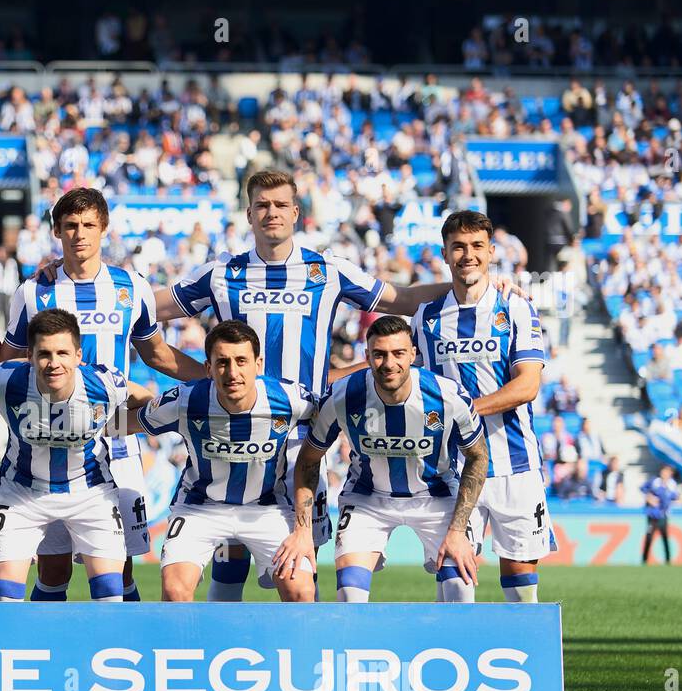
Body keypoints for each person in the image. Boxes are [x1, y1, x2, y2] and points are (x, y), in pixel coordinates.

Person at [154, 170, 520, 601]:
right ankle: (221, 656)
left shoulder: (327, 270)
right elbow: (146, 311)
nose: (271, 213)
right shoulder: (222, 274)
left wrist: (477, 287)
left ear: (296, 212)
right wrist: (210, 381)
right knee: (228, 560)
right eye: (262, 206)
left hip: (299, 441)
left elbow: (400, 299)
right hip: (234, 432)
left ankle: (297, 659)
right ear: (249, 214)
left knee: (298, 571)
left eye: (280, 205)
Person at [0, 187, 206, 602]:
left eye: (89, 225)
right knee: (52, 567)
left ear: (104, 229)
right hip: (49, 443)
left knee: (119, 566)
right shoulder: (34, 291)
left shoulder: (131, 288)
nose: (79, 234)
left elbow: (158, 354)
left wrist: (211, 378)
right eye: (70, 225)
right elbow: (11, 364)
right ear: (56, 231)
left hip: (116, 443)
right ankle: (45, 658)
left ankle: (119, 651)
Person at [0, 309, 152, 602]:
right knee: (5, 597)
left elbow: (147, 400)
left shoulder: (103, 383)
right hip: (22, 493)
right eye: (44, 354)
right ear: (29, 355)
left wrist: (121, 425)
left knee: (110, 595)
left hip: (91, 493)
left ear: (78, 356)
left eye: (63, 353)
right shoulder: (7, 381)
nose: (54, 363)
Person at [276, 315, 488, 603]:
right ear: (367, 356)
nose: (389, 363)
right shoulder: (342, 395)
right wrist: (303, 530)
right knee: (350, 593)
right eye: (379, 354)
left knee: (459, 587)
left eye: (399, 353)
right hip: (368, 497)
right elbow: (309, 460)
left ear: (413, 354)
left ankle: (445, 645)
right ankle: (358, 649)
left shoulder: (448, 396)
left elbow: (478, 457)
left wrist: (458, 529)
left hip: (435, 494)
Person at [411, 209, 552, 603]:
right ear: (445, 254)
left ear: (491, 252)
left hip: (516, 466)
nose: (467, 254)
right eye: (458, 247)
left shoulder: (517, 308)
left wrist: (463, 408)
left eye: (476, 246)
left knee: (522, 589)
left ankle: (519, 661)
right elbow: (402, 371)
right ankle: (459, 661)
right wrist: (333, 377)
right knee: (454, 582)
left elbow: (527, 385)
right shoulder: (427, 317)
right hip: (453, 469)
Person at [129, 320, 318, 602]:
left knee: (301, 590)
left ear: (259, 364)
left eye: (242, 361)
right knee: (175, 591)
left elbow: (334, 419)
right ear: (208, 368)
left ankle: (290, 647)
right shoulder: (185, 401)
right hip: (200, 507)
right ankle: (183, 647)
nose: (233, 372)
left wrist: (304, 531)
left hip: (267, 507)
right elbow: (123, 422)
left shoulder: (290, 399)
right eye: (223, 362)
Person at [641, 464, 682, 564]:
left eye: (668, 472)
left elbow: (675, 497)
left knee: (664, 537)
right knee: (649, 536)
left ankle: (668, 560)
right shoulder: (655, 481)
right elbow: (643, 488)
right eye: (664, 471)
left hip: (663, 515)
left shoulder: (672, 485)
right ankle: (644, 560)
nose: (665, 474)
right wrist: (649, 497)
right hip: (652, 515)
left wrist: (678, 498)